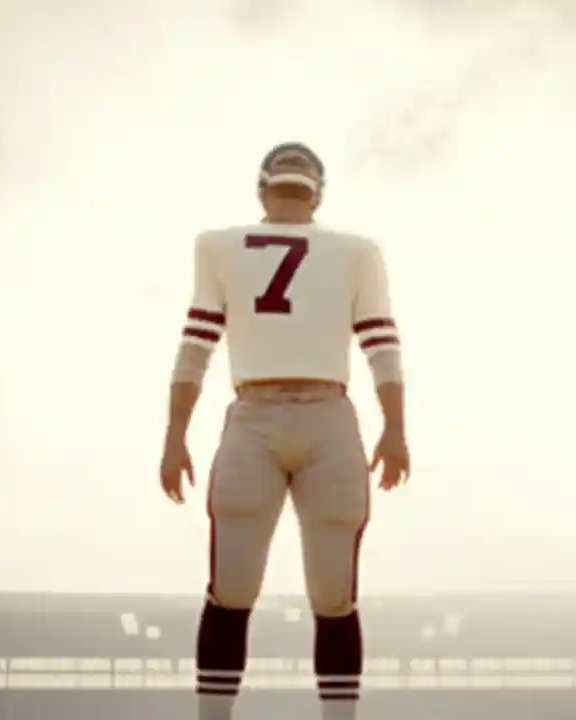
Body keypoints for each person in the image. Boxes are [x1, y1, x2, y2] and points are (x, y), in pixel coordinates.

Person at [158, 141, 410, 720]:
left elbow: (194, 348)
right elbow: (383, 347)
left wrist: (175, 436)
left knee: (315, 593)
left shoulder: (227, 245)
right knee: (254, 588)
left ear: (261, 184)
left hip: (278, 415)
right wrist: (395, 428)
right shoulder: (351, 250)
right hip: (303, 417)